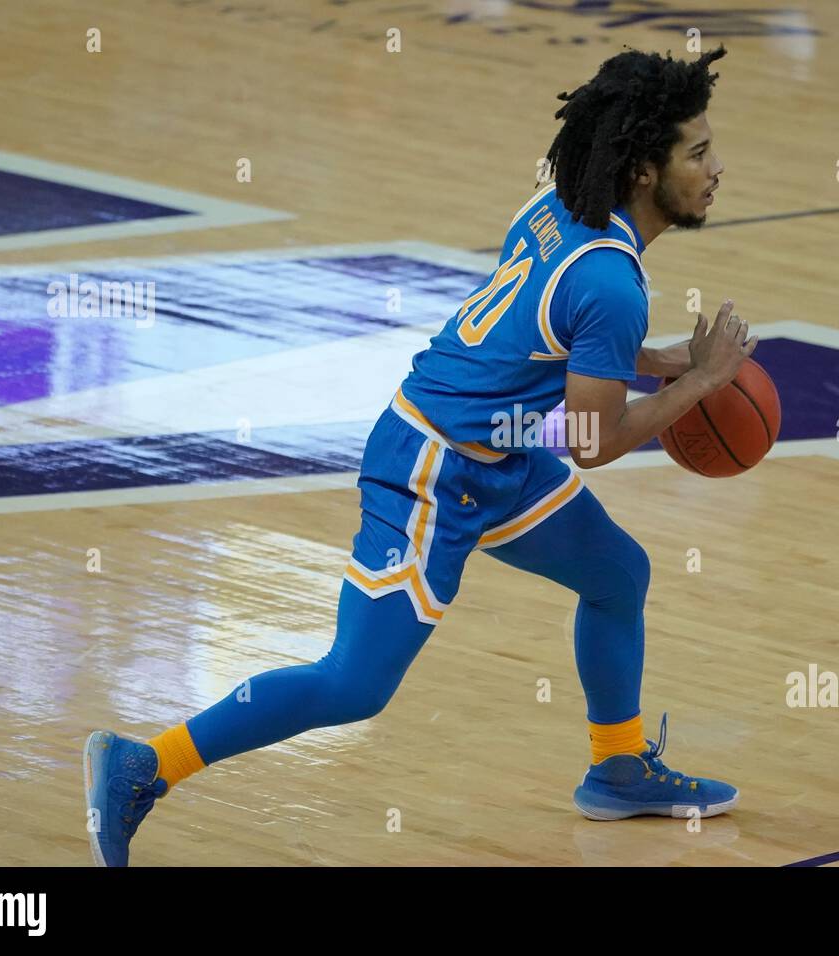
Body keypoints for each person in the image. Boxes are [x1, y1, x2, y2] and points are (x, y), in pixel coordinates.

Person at [83, 46, 757, 866]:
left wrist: (656, 363)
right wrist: (709, 378)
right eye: (697, 153)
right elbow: (593, 443)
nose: (718, 168)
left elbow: (550, 332)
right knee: (353, 685)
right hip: (431, 468)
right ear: (645, 171)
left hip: (500, 449)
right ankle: (143, 765)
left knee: (618, 574)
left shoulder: (563, 203)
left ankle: (616, 768)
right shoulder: (614, 283)